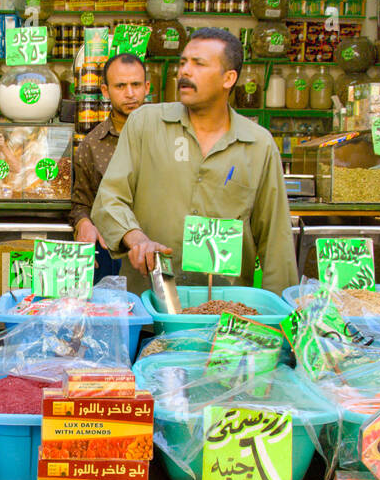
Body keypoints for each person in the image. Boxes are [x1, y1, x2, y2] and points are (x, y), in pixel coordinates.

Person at [90, 27, 298, 295]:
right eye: (183, 63)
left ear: (228, 78)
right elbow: (109, 199)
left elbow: (276, 242)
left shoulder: (258, 144)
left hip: (224, 313)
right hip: (149, 304)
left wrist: (279, 322)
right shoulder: (145, 123)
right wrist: (136, 238)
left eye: (198, 64)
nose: (184, 72)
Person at [70, 53, 150, 278]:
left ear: (147, 86)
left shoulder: (168, 136)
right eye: (120, 86)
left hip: (157, 246)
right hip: (112, 253)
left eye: (135, 84)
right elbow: (81, 203)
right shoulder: (92, 144)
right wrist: (83, 223)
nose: (130, 93)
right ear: (105, 91)